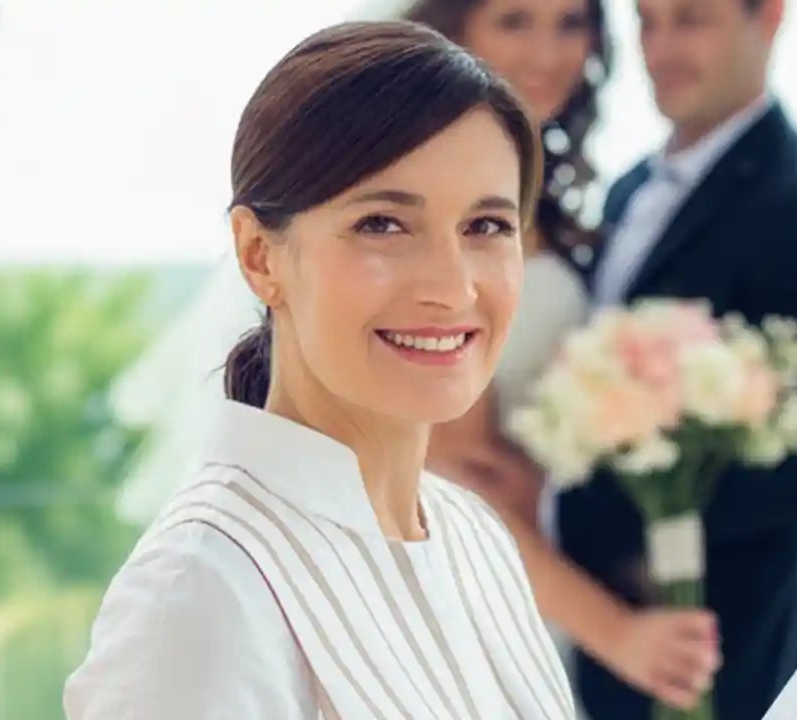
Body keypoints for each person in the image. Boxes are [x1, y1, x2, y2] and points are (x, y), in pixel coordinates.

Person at [64, 21, 577, 719]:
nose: (453, 289)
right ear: (259, 256)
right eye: (383, 225)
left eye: (485, 227)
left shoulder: (477, 541)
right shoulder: (198, 595)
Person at [560, 0, 797, 718]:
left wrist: (554, 522)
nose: (662, 48)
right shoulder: (626, 193)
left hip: (738, 653)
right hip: (602, 644)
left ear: (769, 17)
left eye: (691, 20)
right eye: (646, 22)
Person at [399, 1, 723, 712]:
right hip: (463, 585)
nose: (548, 53)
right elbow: (451, 478)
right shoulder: (435, 183)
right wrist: (620, 634)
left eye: (570, 23)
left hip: (529, 573)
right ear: (454, 29)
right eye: (515, 21)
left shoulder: (544, 193)